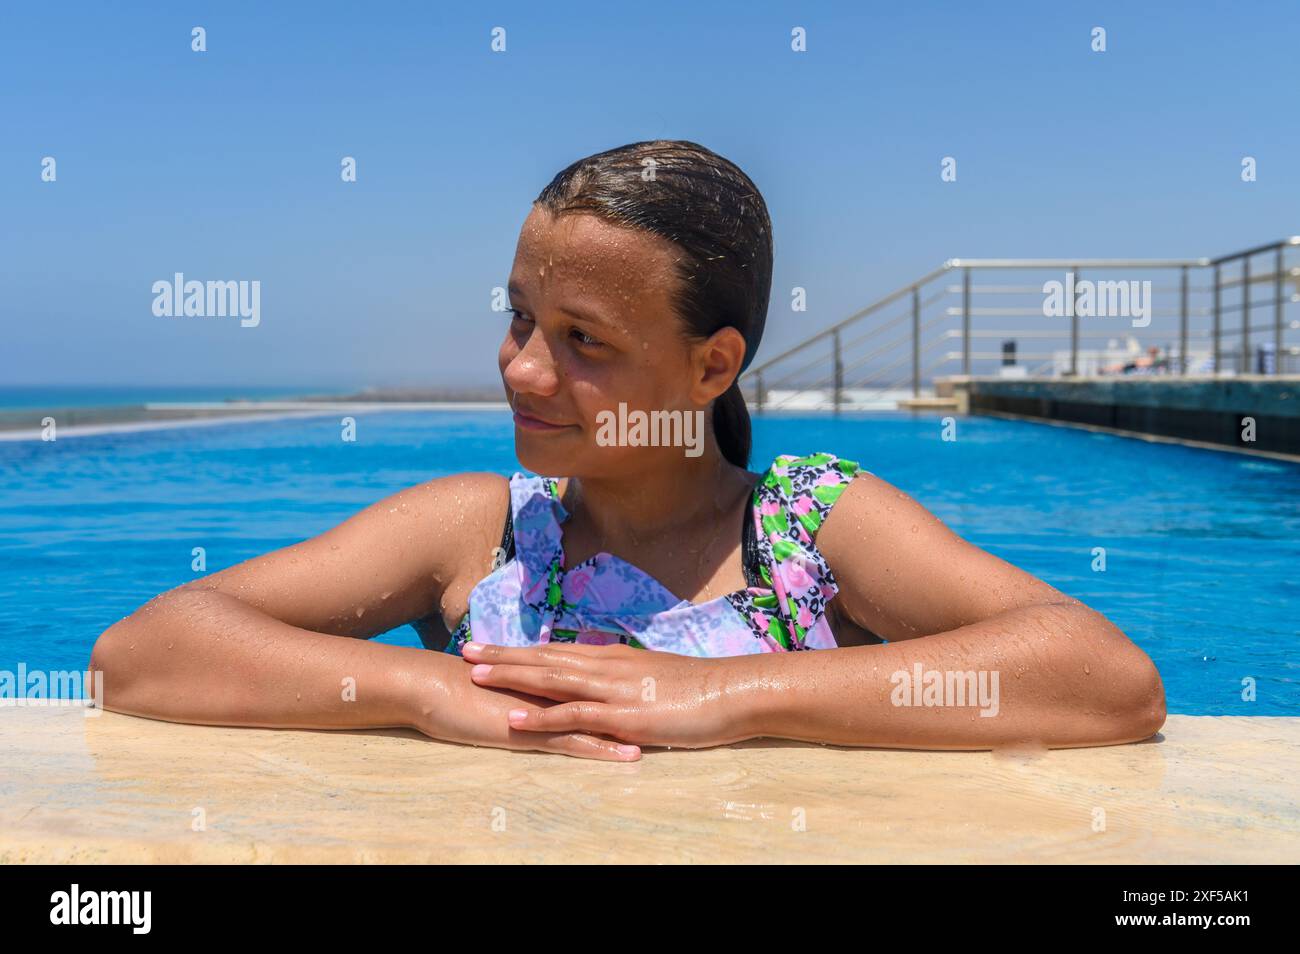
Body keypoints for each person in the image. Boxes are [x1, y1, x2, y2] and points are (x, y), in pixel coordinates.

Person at [90, 140, 1165, 761]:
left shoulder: (804, 532)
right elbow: (139, 654)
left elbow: (1107, 681)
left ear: (711, 366)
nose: (519, 370)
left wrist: (731, 694)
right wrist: (430, 695)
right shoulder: (482, 532)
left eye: (582, 342)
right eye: (520, 319)